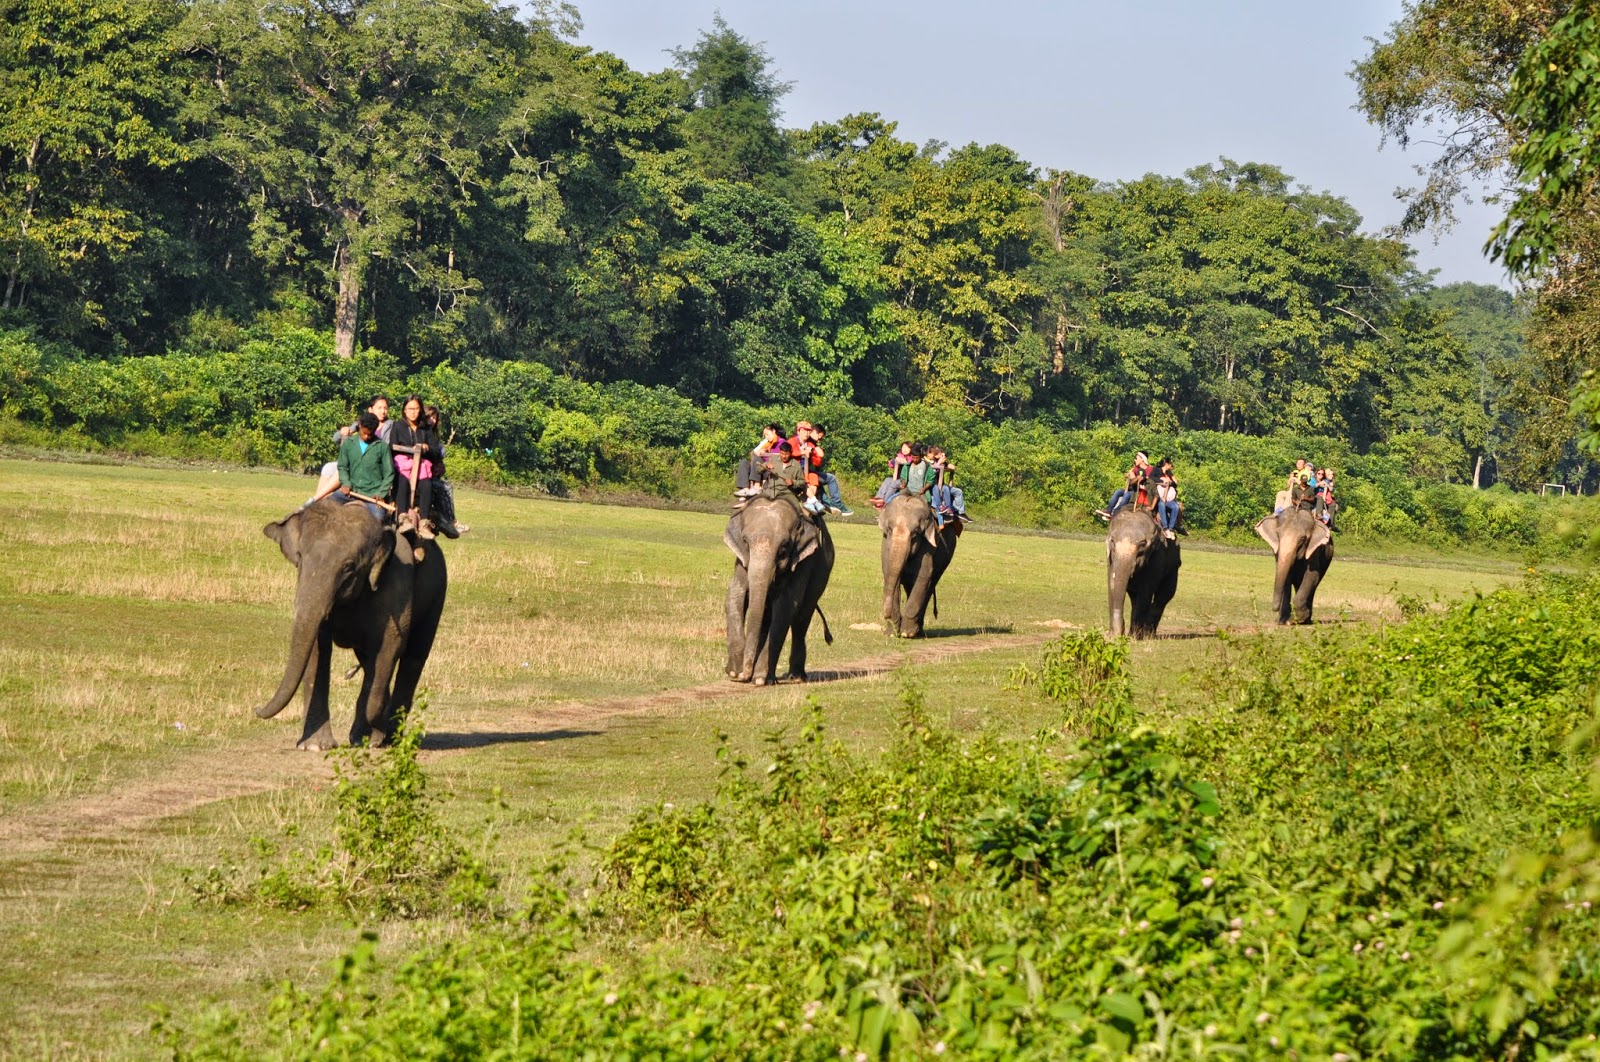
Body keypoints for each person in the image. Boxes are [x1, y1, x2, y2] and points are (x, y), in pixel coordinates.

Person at [309, 395, 392, 506]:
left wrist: (380, 494)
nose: (383, 411)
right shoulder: (357, 428)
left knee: (378, 517)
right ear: (370, 409)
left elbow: (388, 472)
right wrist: (344, 431)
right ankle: (315, 501)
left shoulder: (390, 429)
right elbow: (337, 441)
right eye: (379, 408)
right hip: (353, 467)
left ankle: (315, 500)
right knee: (330, 469)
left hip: (372, 473)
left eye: (385, 408)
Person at [388, 394, 439, 539]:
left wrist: (426, 448)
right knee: (402, 480)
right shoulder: (397, 426)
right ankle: (403, 517)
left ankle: (424, 521)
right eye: (410, 409)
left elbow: (435, 450)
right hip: (402, 465)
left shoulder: (426, 429)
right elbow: (392, 447)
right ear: (404, 410)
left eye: (416, 409)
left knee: (427, 484)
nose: (413, 412)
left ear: (420, 410)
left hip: (422, 466)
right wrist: (409, 450)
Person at [332, 411, 394, 520]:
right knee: (326, 507)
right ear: (359, 425)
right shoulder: (348, 444)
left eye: (370, 434)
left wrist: (381, 493)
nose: (366, 436)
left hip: (372, 497)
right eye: (364, 432)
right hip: (351, 492)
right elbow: (342, 467)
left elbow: (389, 474)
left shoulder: (382, 447)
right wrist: (345, 483)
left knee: (378, 518)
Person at [424, 404, 468, 538]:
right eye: (429, 417)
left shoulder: (433, 434)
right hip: (424, 475)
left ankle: (445, 520)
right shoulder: (423, 433)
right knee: (446, 488)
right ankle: (451, 521)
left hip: (432, 474)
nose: (432, 420)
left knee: (443, 487)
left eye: (434, 417)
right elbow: (432, 453)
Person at [810, 424, 853, 516]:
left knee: (820, 481)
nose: (819, 440)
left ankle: (826, 502)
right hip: (808, 474)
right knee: (831, 478)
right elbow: (821, 454)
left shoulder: (805, 442)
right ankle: (836, 503)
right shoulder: (810, 443)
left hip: (811, 472)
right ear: (813, 432)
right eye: (819, 437)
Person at [735, 422, 785, 497]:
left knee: (757, 458)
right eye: (765, 435)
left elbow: (776, 458)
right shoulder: (768, 443)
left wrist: (762, 454)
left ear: (774, 431)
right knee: (744, 462)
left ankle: (757, 486)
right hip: (761, 468)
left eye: (767, 434)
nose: (766, 437)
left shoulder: (781, 442)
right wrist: (760, 452)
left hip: (771, 469)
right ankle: (745, 489)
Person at [1098, 452, 1151, 518]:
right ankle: (1108, 510)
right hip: (1132, 489)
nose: (1135, 460)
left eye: (1136, 458)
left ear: (1142, 459)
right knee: (1118, 491)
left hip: (1139, 492)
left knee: (1127, 495)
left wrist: (1137, 478)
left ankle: (1116, 512)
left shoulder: (1149, 469)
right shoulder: (1136, 468)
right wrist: (1132, 475)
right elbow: (1128, 475)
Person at [873, 441, 916, 508]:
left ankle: (885, 501)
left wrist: (906, 461)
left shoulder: (913, 458)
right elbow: (891, 464)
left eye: (907, 448)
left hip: (906, 480)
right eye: (903, 447)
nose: (904, 449)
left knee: (894, 483)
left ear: (911, 449)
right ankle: (879, 498)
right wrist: (894, 461)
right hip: (898, 478)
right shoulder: (899, 456)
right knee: (887, 480)